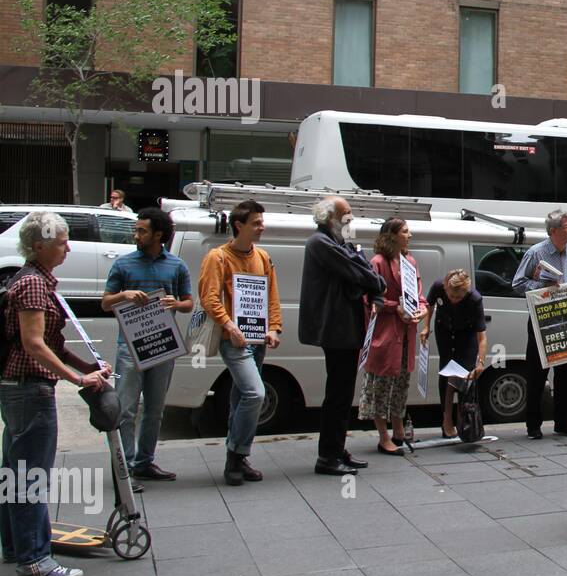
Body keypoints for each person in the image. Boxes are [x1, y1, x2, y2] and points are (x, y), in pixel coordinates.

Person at [1, 213, 112, 576]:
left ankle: (16, 547)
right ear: (39, 246)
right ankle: (34, 562)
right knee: (30, 477)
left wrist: (89, 366)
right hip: (29, 389)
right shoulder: (33, 284)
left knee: (15, 474)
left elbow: (53, 343)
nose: (69, 247)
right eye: (62, 242)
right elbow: (34, 344)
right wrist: (78, 378)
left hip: (18, 388)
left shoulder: (33, 280)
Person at [101, 207, 193, 482]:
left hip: (162, 344)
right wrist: (124, 294)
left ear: (159, 234)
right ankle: (125, 467)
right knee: (126, 409)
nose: (136, 234)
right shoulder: (123, 264)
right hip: (129, 346)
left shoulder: (176, 265)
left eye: (142, 230)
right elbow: (105, 303)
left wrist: (175, 303)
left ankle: (145, 463)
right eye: (136, 229)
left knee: (155, 410)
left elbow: (189, 303)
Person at [299, 197, 387, 475]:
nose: (351, 218)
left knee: (343, 391)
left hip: (346, 327)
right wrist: (372, 281)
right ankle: (328, 455)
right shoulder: (320, 244)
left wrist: (370, 280)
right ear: (330, 217)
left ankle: (336, 449)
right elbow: (362, 273)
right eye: (346, 213)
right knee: (337, 393)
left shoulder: (341, 243)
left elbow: (365, 271)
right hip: (335, 329)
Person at [198, 199, 283, 486]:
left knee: (240, 399)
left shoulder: (262, 257)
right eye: (256, 223)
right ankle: (237, 453)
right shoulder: (217, 257)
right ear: (239, 226)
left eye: (261, 221)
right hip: (233, 339)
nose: (262, 227)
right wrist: (229, 326)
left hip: (257, 339)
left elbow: (272, 296)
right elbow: (209, 298)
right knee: (255, 394)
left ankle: (236, 459)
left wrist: (274, 328)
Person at [512, 209, 567, 439]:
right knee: (537, 374)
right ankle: (533, 425)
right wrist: (542, 290)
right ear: (554, 230)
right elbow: (518, 283)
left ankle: (563, 421)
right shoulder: (536, 253)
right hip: (542, 320)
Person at [361, 218, 427, 455]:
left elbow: (419, 294)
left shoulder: (410, 261)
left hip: (406, 334)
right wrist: (394, 307)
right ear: (392, 235)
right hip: (386, 335)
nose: (410, 235)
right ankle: (383, 437)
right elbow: (369, 298)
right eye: (405, 231)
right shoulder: (377, 262)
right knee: (380, 387)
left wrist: (422, 308)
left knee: (400, 385)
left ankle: (399, 431)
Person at [421, 269, 488, 441]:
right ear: (445, 288)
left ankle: (465, 421)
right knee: (446, 375)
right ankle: (446, 420)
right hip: (444, 330)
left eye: (458, 297)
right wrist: (426, 326)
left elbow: (481, 336)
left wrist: (480, 362)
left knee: (465, 376)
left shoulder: (474, 298)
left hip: (466, 336)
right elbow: (429, 305)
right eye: (451, 296)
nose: (454, 300)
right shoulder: (438, 287)